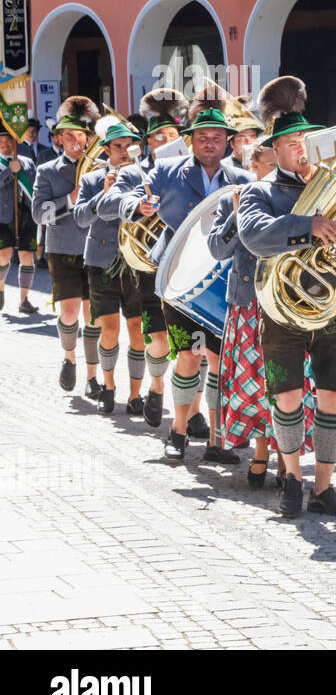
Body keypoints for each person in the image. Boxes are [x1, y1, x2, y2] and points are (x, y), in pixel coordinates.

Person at [237, 75, 336, 518]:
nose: (300, 148)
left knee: (333, 395)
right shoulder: (260, 191)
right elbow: (255, 237)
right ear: (274, 149)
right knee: (288, 396)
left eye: (305, 140)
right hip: (283, 310)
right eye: (291, 142)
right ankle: (292, 478)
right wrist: (307, 226)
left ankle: (324, 487)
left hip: (335, 305)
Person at [120, 96, 253, 463]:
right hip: (179, 281)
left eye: (217, 137)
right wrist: (139, 206)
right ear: (192, 140)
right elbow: (132, 196)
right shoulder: (167, 170)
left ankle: (216, 441)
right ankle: (177, 432)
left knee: (218, 359)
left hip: (223, 281)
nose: (210, 142)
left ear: (227, 141)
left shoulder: (243, 179)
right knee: (190, 356)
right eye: (203, 136)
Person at [208, 143, 314, 489]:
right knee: (255, 383)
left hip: (291, 300)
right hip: (249, 301)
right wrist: (237, 217)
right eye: (267, 166)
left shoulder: (301, 193)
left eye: (276, 166)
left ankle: (287, 456)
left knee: (287, 382)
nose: (273, 174)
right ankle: (260, 450)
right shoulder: (235, 197)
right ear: (253, 166)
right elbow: (216, 249)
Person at [101, 89, 189, 429]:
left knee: (190, 346)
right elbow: (109, 204)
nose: (164, 142)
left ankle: (192, 412)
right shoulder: (135, 171)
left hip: (189, 267)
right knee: (158, 339)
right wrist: (135, 206)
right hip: (152, 267)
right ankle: (155, 387)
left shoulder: (194, 169)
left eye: (170, 136)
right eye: (157, 138)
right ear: (147, 143)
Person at [74, 121, 150, 416]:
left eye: (130, 146)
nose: (124, 151)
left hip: (135, 262)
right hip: (101, 262)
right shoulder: (93, 179)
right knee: (109, 328)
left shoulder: (143, 176)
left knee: (137, 329)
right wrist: (102, 194)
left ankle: (135, 395)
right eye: (117, 146)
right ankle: (108, 386)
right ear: (106, 150)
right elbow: (80, 218)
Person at [33, 97, 102, 398]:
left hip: (96, 247)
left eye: (81, 135)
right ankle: (69, 357)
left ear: (88, 137)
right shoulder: (47, 170)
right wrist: (70, 200)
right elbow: (39, 214)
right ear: (59, 140)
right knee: (71, 312)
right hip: (62, 248)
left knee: (94, 315)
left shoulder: (101, 168)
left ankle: (92, 375)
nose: (76, 141)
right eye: (69, 136)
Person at [0, 130, 39, 314]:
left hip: (27, 214)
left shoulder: (28, 162)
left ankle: (24, 300)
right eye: (1, 143)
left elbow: (35, 186)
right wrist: (10, 171)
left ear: (15, 143)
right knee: (4, 256)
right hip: (3, 217)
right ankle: (0, 290)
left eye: (9, 143)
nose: (5, 146)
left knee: (27, 257)